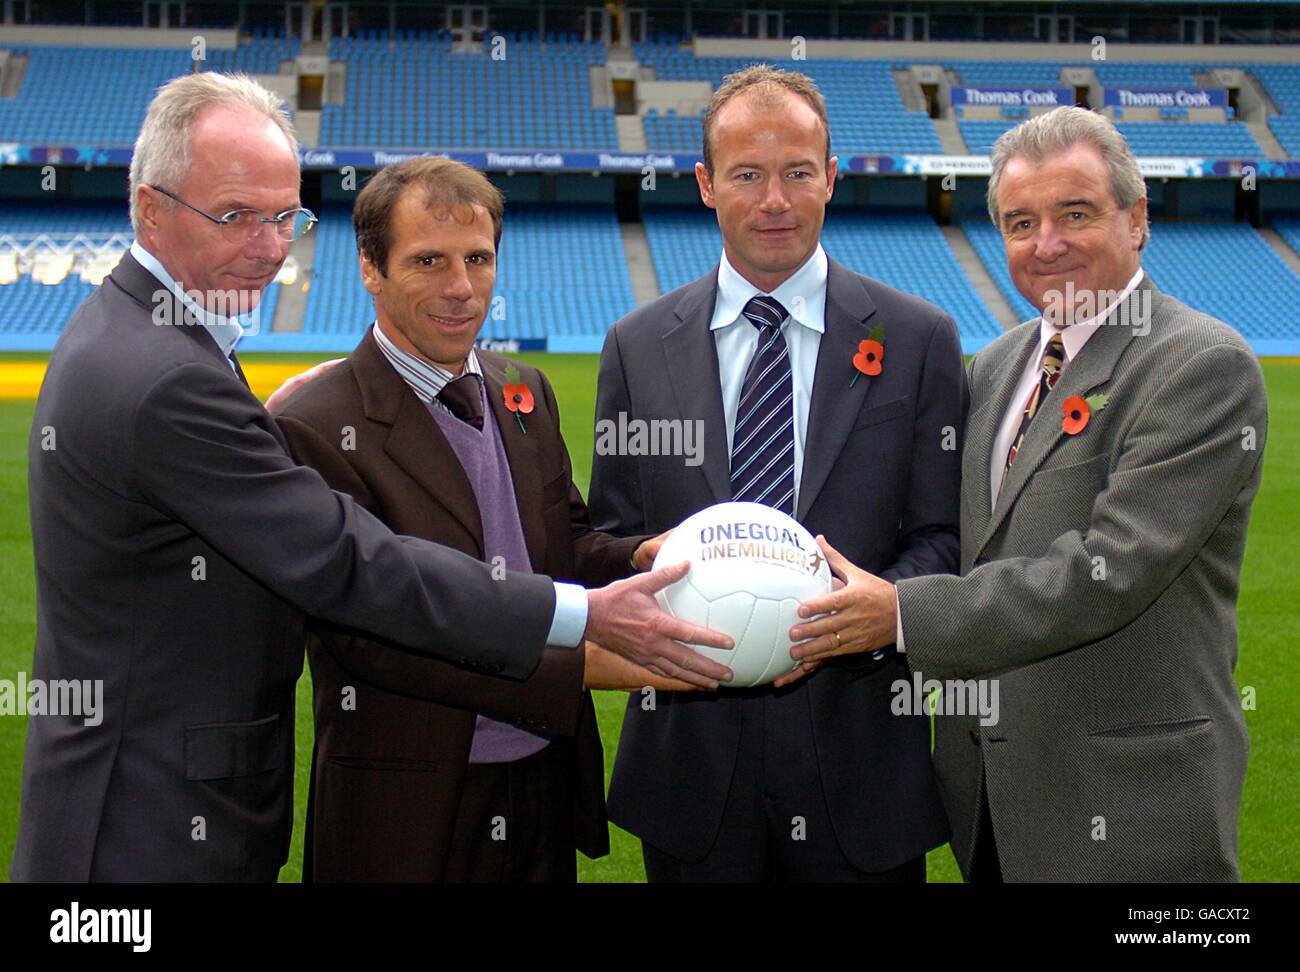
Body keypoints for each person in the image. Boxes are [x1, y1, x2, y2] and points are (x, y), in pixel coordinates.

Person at [13, 72, 730, 883]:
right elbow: (351, 569)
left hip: (168, 799)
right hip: (148, 820)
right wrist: (584, 625)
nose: (268, 245)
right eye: (234, 215)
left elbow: (555, 536)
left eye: (285, 216)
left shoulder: (148, 338)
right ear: (150, 208)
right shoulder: (175, 377)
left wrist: (633, 564)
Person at [790, 106, 1267, 882]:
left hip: (1128, 797)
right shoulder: (1000, 362)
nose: (1046, 245)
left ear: (1137, 217)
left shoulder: (1198, 365)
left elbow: (1105, 573)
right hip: (989, 794)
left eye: (1074, 214)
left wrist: (900, 613)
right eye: (1020, 223)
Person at [588, 65, 966, 882]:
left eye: (798, 172)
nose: (774, 201)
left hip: (860, 762)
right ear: (704, 183)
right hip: (690, 763)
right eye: (747, 175)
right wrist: (650, 566)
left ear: (831, 177)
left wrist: (877, 612)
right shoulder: (635, 345)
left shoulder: (919, 338)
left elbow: (943, 535)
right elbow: (608, 535)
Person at [273, 157, 688, 882]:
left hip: (541, 777)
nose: (461, 289)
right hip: (406, 801)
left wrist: (643, 559)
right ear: (371, 268)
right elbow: (370, 633)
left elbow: (565, 544)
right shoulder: (315, 422)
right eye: (427, 261)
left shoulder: (523, 389)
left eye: (478, 258)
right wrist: (579, 666)